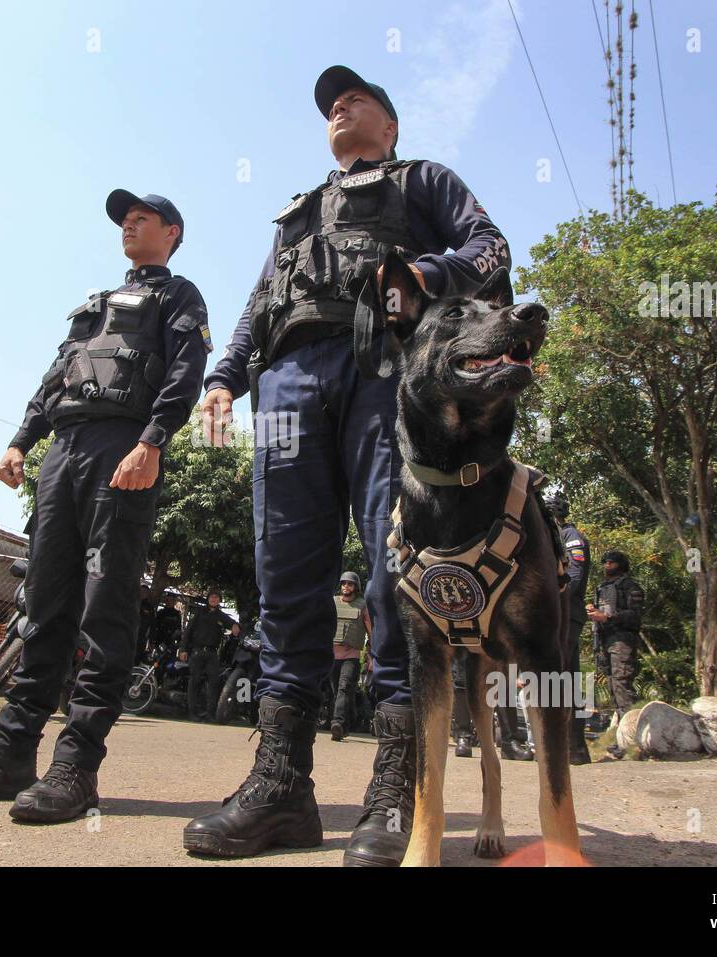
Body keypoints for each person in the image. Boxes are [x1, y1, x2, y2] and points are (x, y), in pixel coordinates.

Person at [190, 64, 511, 865]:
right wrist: (225, 378)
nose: (338, 106)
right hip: (290, 383)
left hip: (385, 371)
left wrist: (419, 278)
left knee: (393, 570)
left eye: (356, 97)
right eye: (331, 103)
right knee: (284, 569)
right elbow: (261, 300)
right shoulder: (298, 211)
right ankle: (279, 790)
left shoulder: (423, 179)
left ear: (391, 125)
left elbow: (492, 248)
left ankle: (397, 795)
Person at [0, 190, 211, 824]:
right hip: (64, 450)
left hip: (122, 450)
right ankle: (9, 754)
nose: (129, 224)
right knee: (44, 605)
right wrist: (23, 438)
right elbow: (57, 374)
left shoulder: (179, 295)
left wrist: (151, 442)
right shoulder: (95, 304)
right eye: (123, 218)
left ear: (173, 232)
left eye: (142, 217)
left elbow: (185, 372)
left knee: (106, 606)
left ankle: (76, 767)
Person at [544, 488, 593, 764]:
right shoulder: (554, 537)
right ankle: (572, 748)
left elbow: (574, 576)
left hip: (566, 616)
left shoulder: (571, 538)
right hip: (558, 617)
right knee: (565, 679)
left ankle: (570, 746)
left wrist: (549, 601)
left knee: (560, 679)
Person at [587, 550, 644, 759]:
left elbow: (635, 616)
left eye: (611, 562)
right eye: (605, 562)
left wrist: (607, 617)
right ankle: (623, 740)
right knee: (613, 688)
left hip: (622, 641)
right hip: (605, 641)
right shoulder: (602, 587)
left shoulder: (630, 586)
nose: (606, 565)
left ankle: (633, 741)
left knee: (623, 688)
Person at [179, 589, 239, 721]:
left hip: (212, 653)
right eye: (212, 597)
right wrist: (183, 649)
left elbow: (233, 624)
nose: (214, 599)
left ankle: (210, 714)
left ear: (219, 600)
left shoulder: (220, 615)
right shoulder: (199, 612)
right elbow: (188, 631)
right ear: (208, 599)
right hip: (197, 651)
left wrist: (235, 625)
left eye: (216, 597)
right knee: (194, 681)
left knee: (214, 682)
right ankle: (192, 713)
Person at [329, 571, 369, 741]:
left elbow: (370, 630)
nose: (346, 586)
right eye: (344, 583)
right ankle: (345, 725)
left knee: (344, 688)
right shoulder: (332, 602)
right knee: (339, 692)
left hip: (351, 656)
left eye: (350, 584)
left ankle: (337, 722)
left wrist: (372, 656)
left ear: (356, 587)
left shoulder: (362, 606)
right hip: (332, 655)